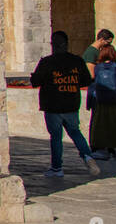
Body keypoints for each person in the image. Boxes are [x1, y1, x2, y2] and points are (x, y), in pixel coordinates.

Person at [30, 31, 99, 178]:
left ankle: (57, 168)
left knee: (56, 137)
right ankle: (87, 156)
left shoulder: (47, 62)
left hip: (53, 105)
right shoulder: (77, 61)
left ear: (53, 45)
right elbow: (87, 80)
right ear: (67, 44)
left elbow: (35, 81)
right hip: (71, 103)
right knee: (75, 132)